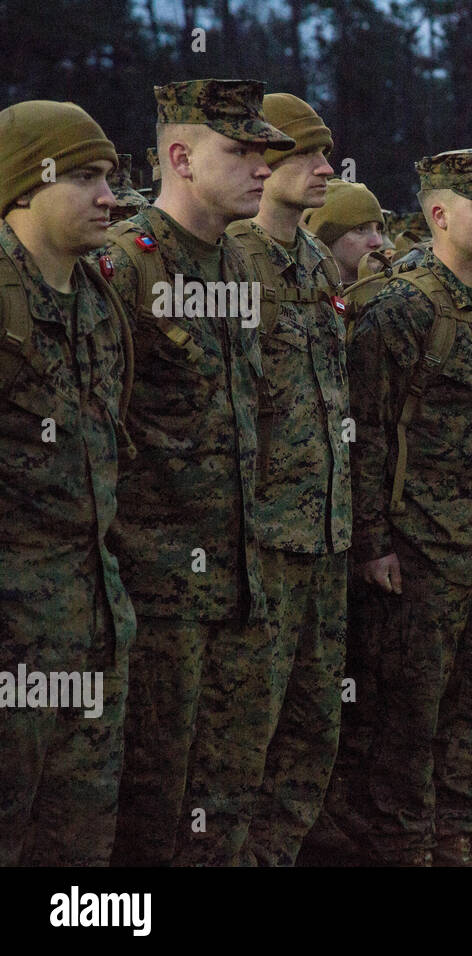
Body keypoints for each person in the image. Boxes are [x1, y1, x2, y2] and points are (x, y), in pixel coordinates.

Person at [104, 78, 292, 867]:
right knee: (147, 796)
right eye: (240, 152)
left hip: (244, 577)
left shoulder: (243, 267)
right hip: (157, 589)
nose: (260, 168)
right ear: (179, 156)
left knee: (227, 788)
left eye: (264, 152)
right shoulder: (125, 269)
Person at [348, 147, 472, 866]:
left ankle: (456, 831)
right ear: (438, 213)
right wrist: (372, 543)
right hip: (423, 548)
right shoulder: (398, 308)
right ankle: (403, 839)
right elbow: (363, 432)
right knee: (409, 708)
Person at [0, 100, 134, 866]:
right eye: (85, 177)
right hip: (12, 639)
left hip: (94, 629)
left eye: (110, 177)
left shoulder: (97, 299)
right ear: (25, 185)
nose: (109, 198)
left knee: (78, 848)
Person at [225, 92, 351, 865]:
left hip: (325, 533)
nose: (326, 168)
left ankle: (276, 854)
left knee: (314, 722)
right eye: (307, 153)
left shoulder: (312, 259)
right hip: (260, 539)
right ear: (262, 159)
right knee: (242, 730)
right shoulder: (230, 257)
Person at [302, 179, 386, 286]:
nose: (378, 242)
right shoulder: (302, 293)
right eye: (360, 229)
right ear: (328, 237)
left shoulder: (391, 292)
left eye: (378, 229)